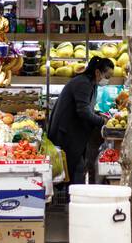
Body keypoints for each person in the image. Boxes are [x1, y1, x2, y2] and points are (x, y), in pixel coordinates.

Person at [47, 56, 113, 187]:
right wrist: (102, 121)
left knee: (76, 170)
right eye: (107, 76)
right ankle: (73, 202)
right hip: (66, 134)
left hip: (73, 133)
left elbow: (87, 108)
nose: (108, 80)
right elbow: (83, 111)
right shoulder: (83, 83)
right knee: (76, 170)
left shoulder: (91, 84)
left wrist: (98, 115)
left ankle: (72, 201)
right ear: (97, 72)